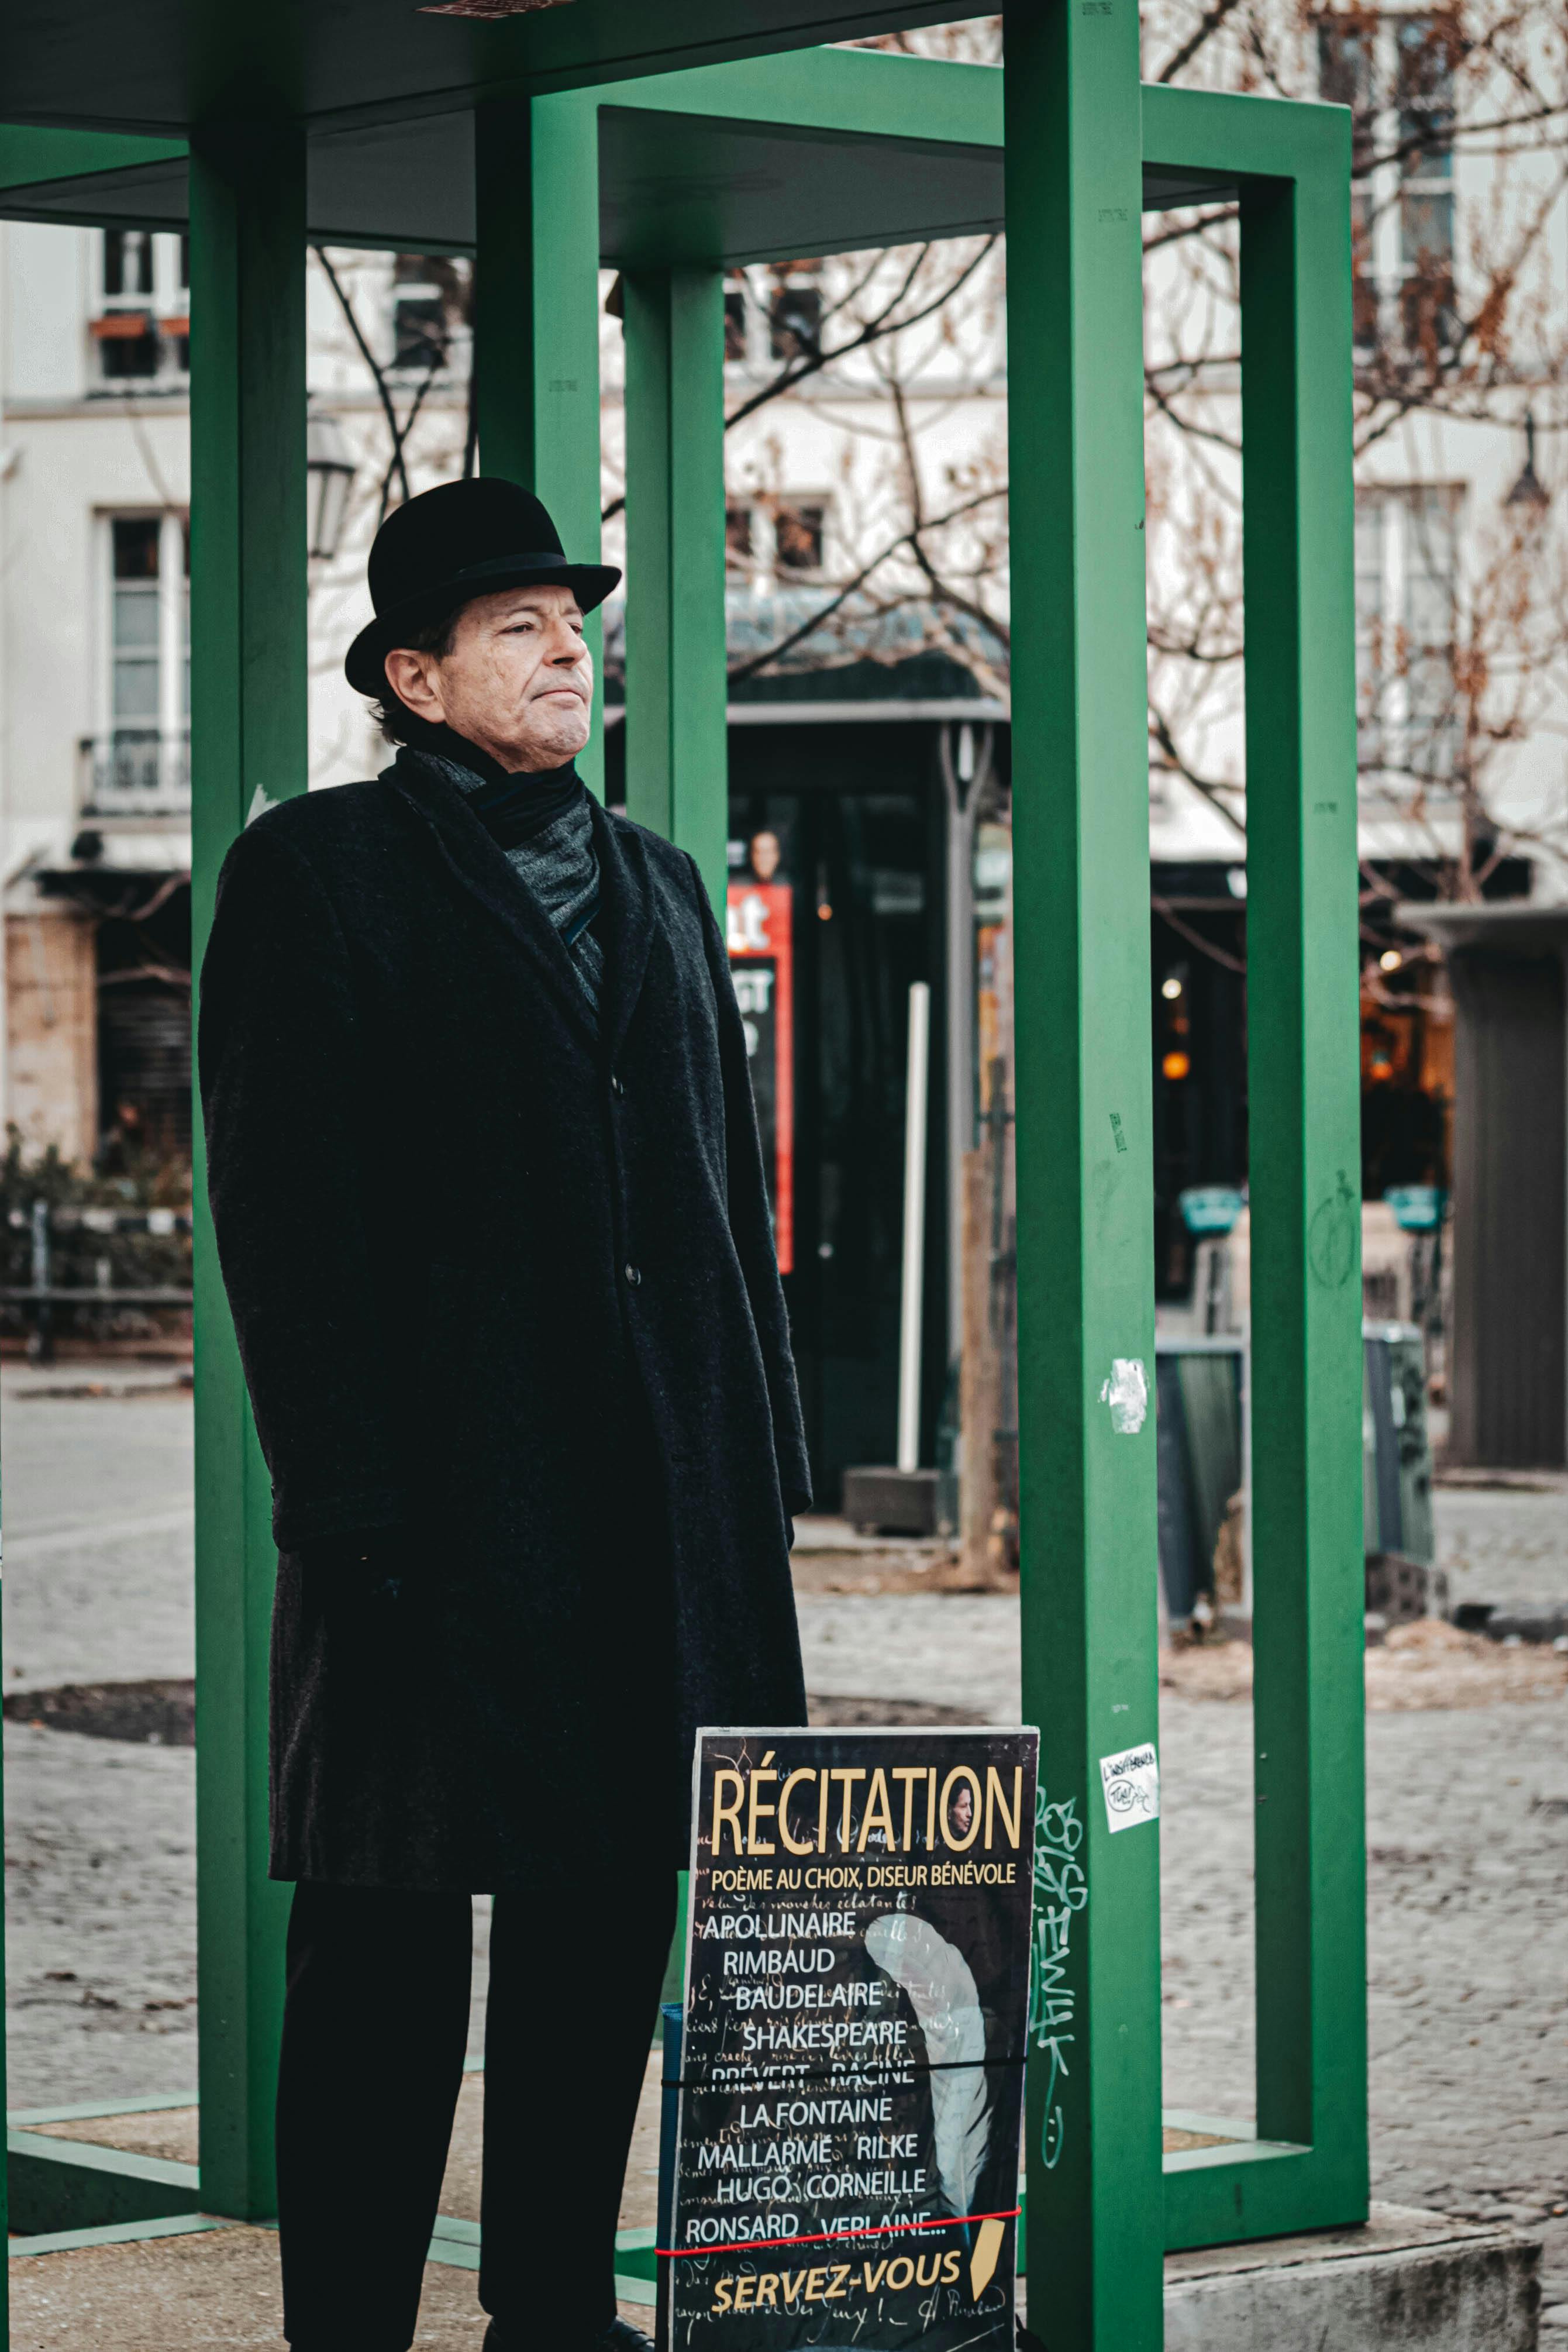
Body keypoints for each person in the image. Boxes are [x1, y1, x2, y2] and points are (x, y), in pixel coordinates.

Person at [198, 477, 812, 2352]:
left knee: (605, 1922)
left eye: (574, 623)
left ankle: (552, 2309)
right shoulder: (316, 872)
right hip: (431, 1516)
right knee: (385, 1940)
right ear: (415, 676)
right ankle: (347, 2330)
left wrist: (758, 1471)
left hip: (657, 1498)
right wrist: (345, 1503)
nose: (568, 652)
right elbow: (283, 1224)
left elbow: (720, 1206)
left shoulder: (660, 882)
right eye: (518, 627)